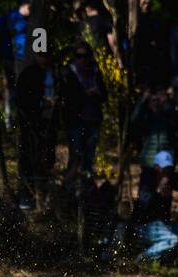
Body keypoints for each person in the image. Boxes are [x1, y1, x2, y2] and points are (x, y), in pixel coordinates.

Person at [14, 49, 57, 209]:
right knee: (29, 158)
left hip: (49, 123)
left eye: (48, 55)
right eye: (42, 55)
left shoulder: (54, 73)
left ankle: (45, 195)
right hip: (31, 123)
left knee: (48, 158)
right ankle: (27, 195)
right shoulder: (29, 73)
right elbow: (20, 99)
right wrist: (40, 104)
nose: (45, 59)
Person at [60, 44, 107, 184]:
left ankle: (86, 191)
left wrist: (97, 93)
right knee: (75, 156)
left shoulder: (96, 71)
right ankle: (69, 190)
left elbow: (104, 95)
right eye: (79, 56)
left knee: (89, 158)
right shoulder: (68, 73)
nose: (82, 59)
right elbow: (66, 96)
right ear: (74, 57)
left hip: (93, 119)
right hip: (75, 121)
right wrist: (84, 94)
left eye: (85, 55)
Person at [133, 0, 171, 92]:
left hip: (153, 61)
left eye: (148, 3)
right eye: (144, 3)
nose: (146, 6)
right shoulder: (134, 20)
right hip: (140, 61)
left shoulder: (154, 20)